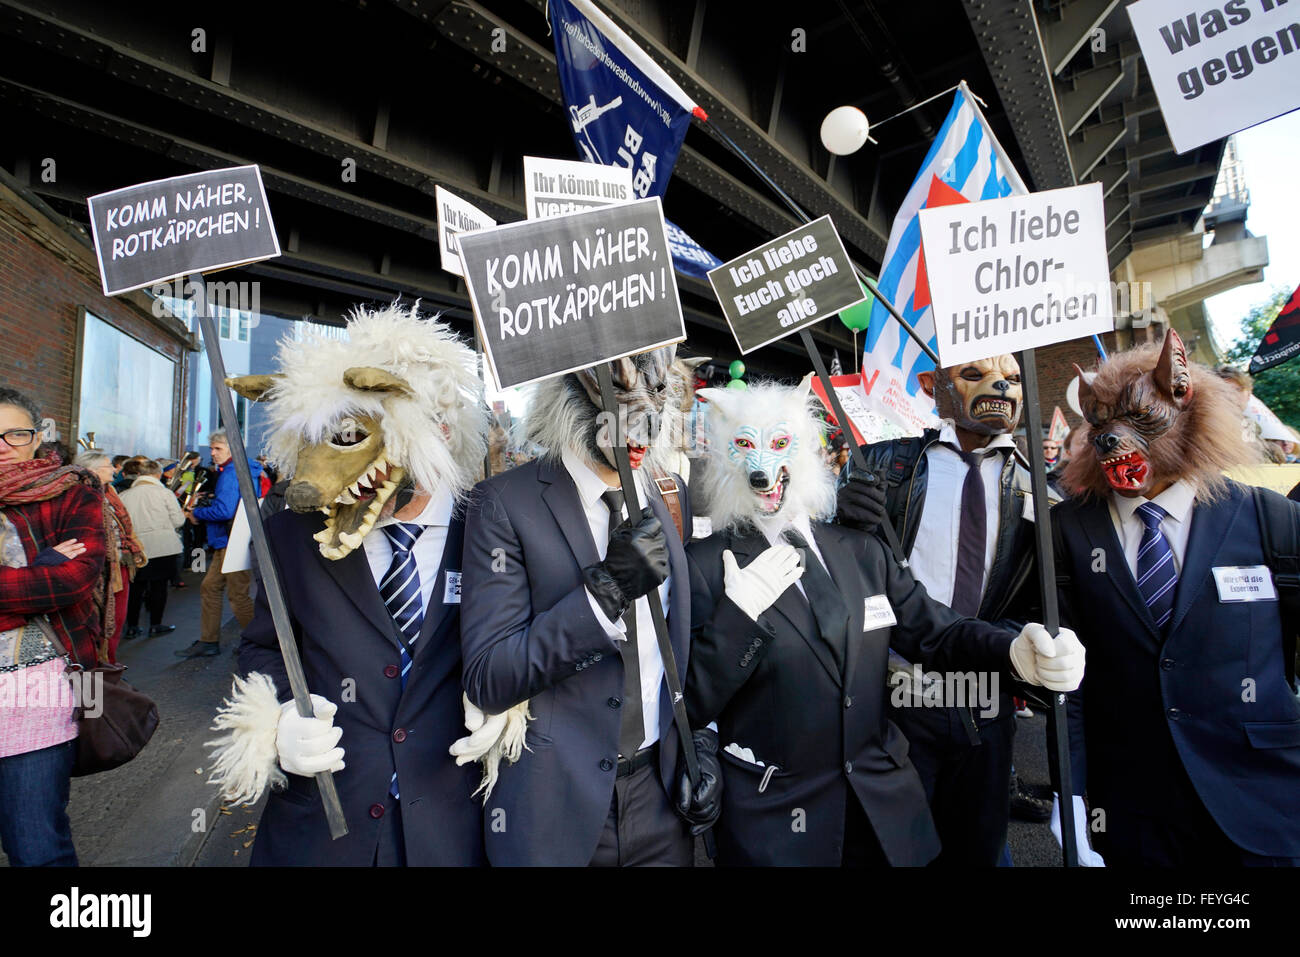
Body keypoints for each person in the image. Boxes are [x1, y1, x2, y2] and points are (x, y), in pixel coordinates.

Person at [684, 376, 1083, 866]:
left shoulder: (862, 551)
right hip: (778, 825)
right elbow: (691, 704)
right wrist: (738, 622)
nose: (764, 468)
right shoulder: (705, 566)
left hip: (883, 816)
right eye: (745, 445)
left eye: (780, 443)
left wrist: (1014, 651)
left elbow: (937, 632)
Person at [207, 303, 489, 866]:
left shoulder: (491, 531)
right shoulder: (288, 531)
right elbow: (264, 645)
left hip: (455, 826)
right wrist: (278, 718)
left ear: (440, 429)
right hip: (325, 825)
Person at [458, 347, 716, 866]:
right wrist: (606, 593)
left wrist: (701, 743)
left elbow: (684, 639)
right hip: (553, 808)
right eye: (623, 399)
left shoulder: (670, 493)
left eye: (658, 396)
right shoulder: (502, 504)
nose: (644, 426)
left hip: (660, 797)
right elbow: (489, 675)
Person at [1056, 330, 1300, 866]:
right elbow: (1066, 684)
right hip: (1133, 806)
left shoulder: (1270, 519)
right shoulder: (1067, 530)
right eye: (1101, 424)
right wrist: (1070, 796)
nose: (1114, 441)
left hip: (1263, 797)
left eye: (1141, 419)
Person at [840, 353, 1050, 865]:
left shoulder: (1043, 487)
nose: (1001, 384)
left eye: (1014, 378)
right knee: (885, 848)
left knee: (977, 848)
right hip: (892, 700)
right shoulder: (883, 466)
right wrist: (839, 520)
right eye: (974, 374)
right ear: (933, 387)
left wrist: (1012, 652)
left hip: (986, 700)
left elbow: (1044, 597)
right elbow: (839, 575)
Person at [0, 387, 109, 866]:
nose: (2, 444)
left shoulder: (72, 493)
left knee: (35, 846)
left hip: (36, 692)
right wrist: (34, 570)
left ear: (36, 437)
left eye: (15, 433)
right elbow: (44, 583)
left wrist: (48, 572)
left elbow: (71, 581)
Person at [178, 431, 260, 658]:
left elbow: (224, 510)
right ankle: (209, 640)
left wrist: (198, 512)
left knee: (237, 595)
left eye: (218, 449)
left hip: (230, 540)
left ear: (232, 449)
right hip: (231, 539)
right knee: (211, 588)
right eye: (212, 448)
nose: (212, 453)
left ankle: (260, 642)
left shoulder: (231, 473)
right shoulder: (240, 470)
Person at [75, 450, 146, 663]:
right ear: (93, 471)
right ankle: (101, 667)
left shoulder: (110, 491)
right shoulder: (81, 495)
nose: (115, 469)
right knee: (100, 620)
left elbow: (122, 527)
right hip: (98, 569)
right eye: (109, 466)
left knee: (116, 618)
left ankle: (109, 664)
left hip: (119, 564)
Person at [119, 458, 185, 638]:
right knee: (159, 587)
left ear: (139, 474)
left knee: (135, 589)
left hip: (135, 549)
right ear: (158, 474)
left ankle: (132, 627)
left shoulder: (125, 495)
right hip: (164, 547)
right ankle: (156, 624)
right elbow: (179, 521)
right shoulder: (165, 494)